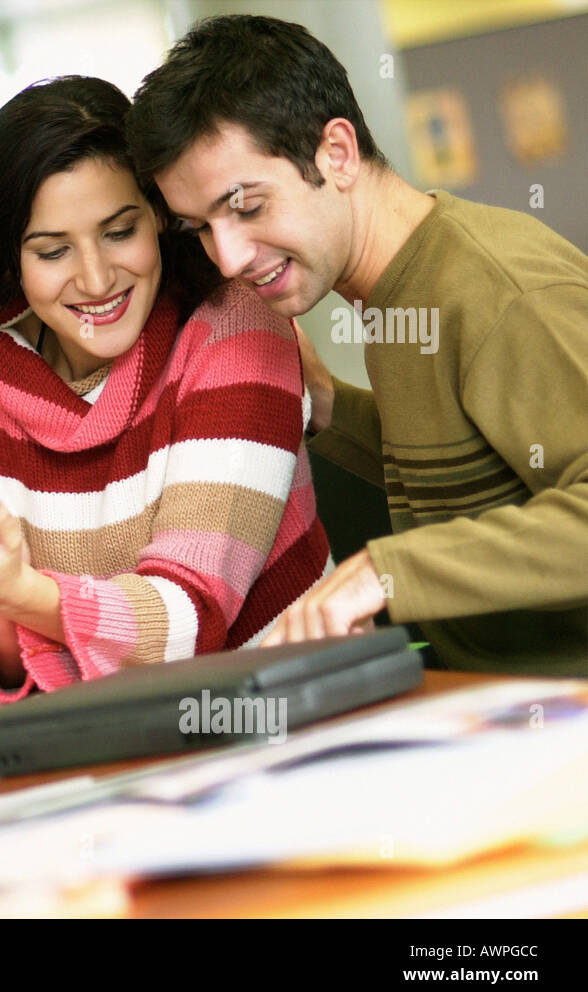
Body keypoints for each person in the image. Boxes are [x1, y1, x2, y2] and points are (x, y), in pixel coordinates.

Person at [129, 15, 588, 674]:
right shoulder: (396, 288)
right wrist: (328, 407)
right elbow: (478, 470)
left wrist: (388, 570)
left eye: (247, 206)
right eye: (202, 226)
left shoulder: (497, 289)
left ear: (336, 153)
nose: (227, 256)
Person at [0, 77, 331, 701]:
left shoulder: (237, 324)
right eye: (52, 251)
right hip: (99, 735)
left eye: (120, 232)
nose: (96, 279)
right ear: (10, 257)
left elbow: (189, 623)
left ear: (160, 217)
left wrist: (20, 593)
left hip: (282, 714)